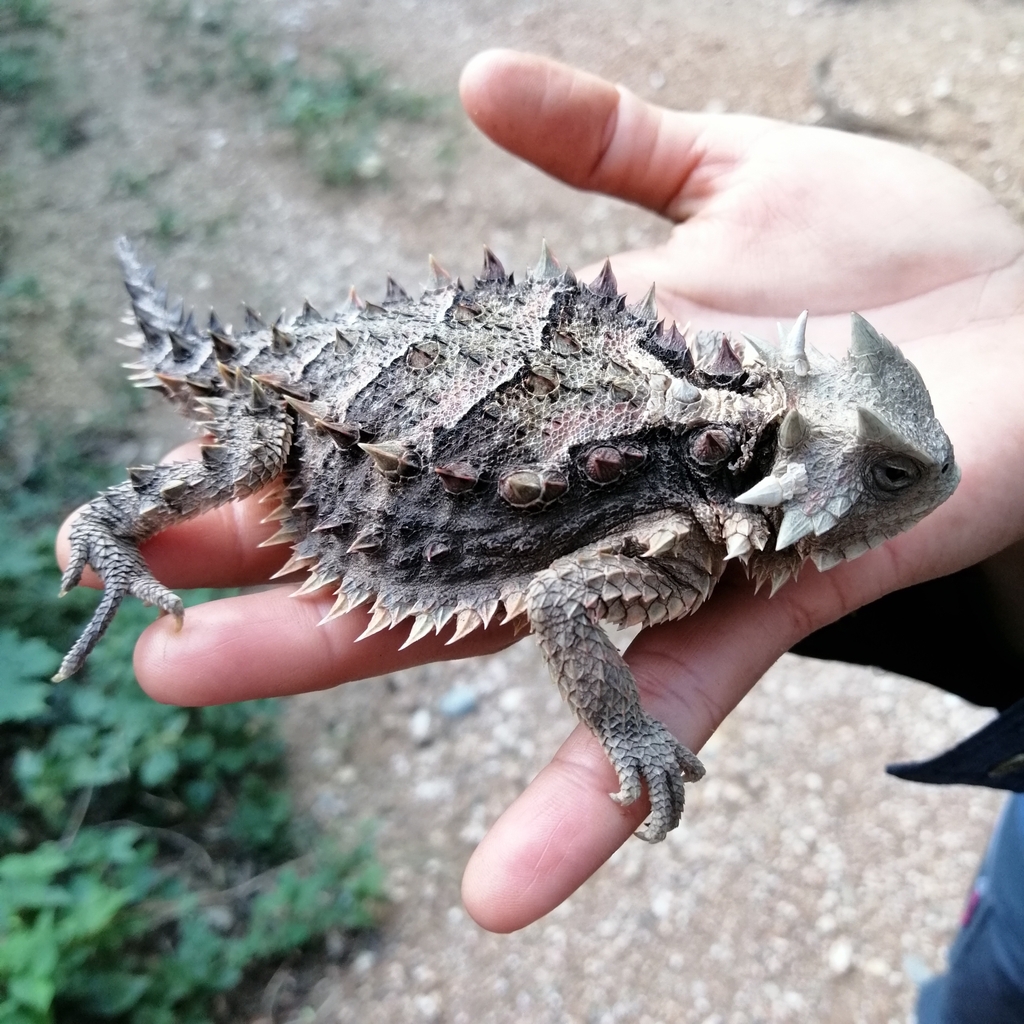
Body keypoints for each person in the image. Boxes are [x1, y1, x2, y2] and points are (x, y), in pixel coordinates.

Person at [57, 48, 1024, 1010]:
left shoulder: (717, 492)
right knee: (257, 442)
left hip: (469, 368)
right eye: (888, 476)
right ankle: (110, 521)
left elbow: (569, 592)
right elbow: (565, 600)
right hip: (340, 417)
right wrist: (624, 727)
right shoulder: (677, 531)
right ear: (802, 458)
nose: (925, 481)